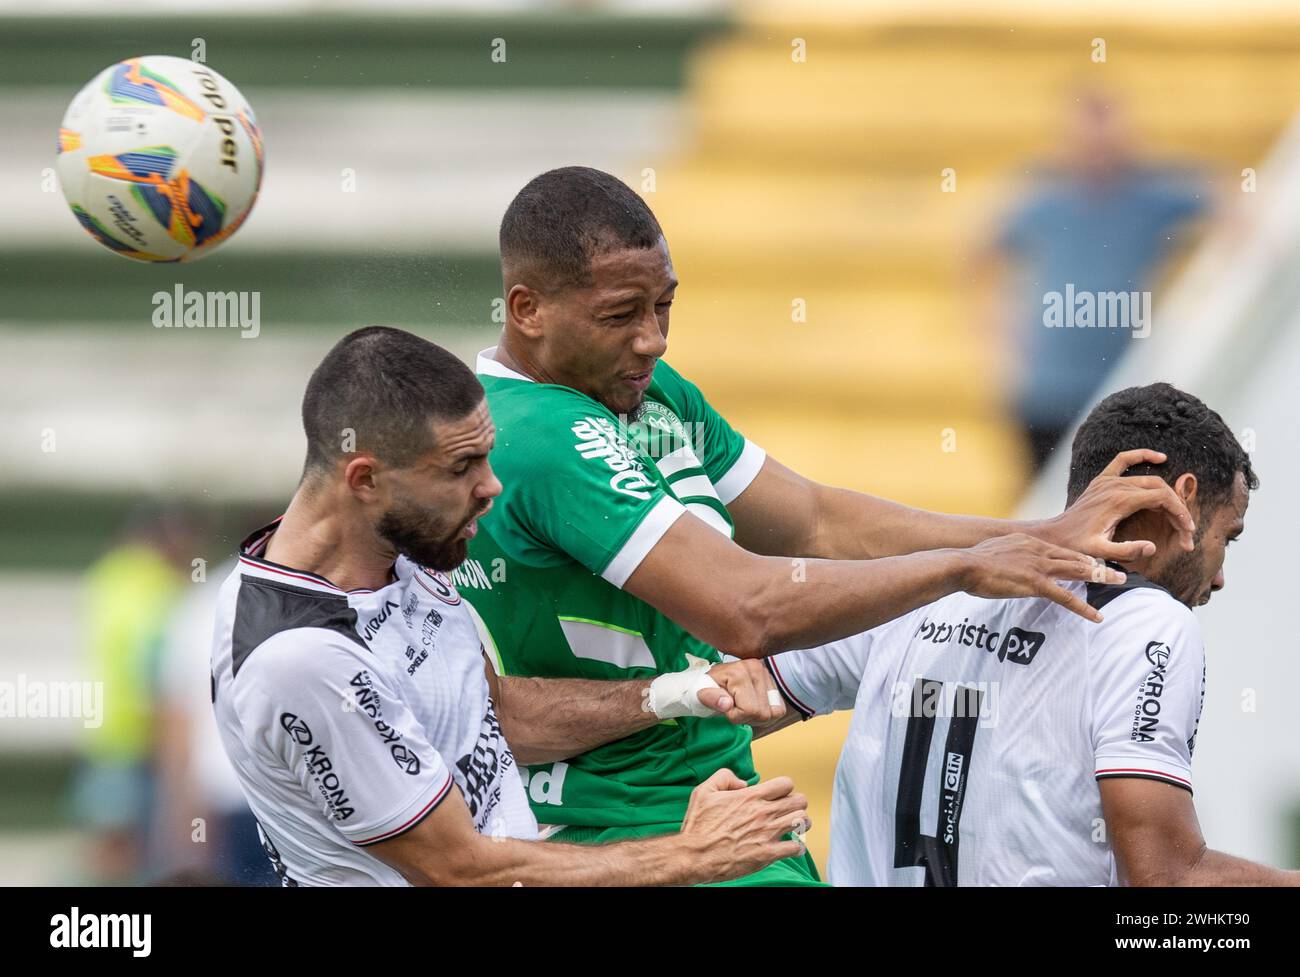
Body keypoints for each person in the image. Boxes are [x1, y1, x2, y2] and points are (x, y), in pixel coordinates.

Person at [457, 166, 1196, 886]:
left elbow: (814, 519)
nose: (653, 339)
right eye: (622, 314)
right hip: (616, 827)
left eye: (664, 306)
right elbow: (747, 607)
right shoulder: (545, 435)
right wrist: (962, 568)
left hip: (718, 805)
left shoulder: (648, 395)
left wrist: (1032, 537)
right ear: (527, 311)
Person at [211, 326, 808, 886]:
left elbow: (494, 712)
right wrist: (691, 852)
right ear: (365, 480)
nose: (491, 486)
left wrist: (673, 693)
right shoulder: (301, 658)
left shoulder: (397, 550)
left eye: (487, 457)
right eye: (462, 467)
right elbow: (460, 870)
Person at [762, 383, 1285, 885]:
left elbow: (742, 697)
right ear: (1185, 499)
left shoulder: (926, 580)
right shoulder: (1148, 620)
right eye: (1226, 538)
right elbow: (1166, 880)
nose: (1218, 577)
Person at [982, 91, 1208, 471]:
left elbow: (1226, 201)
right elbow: (981, 252)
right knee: (1051, 508)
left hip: (1122, 390)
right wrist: (998, 339)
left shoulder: (1149, 198)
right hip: (1049, 392)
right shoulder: (1044, 200)